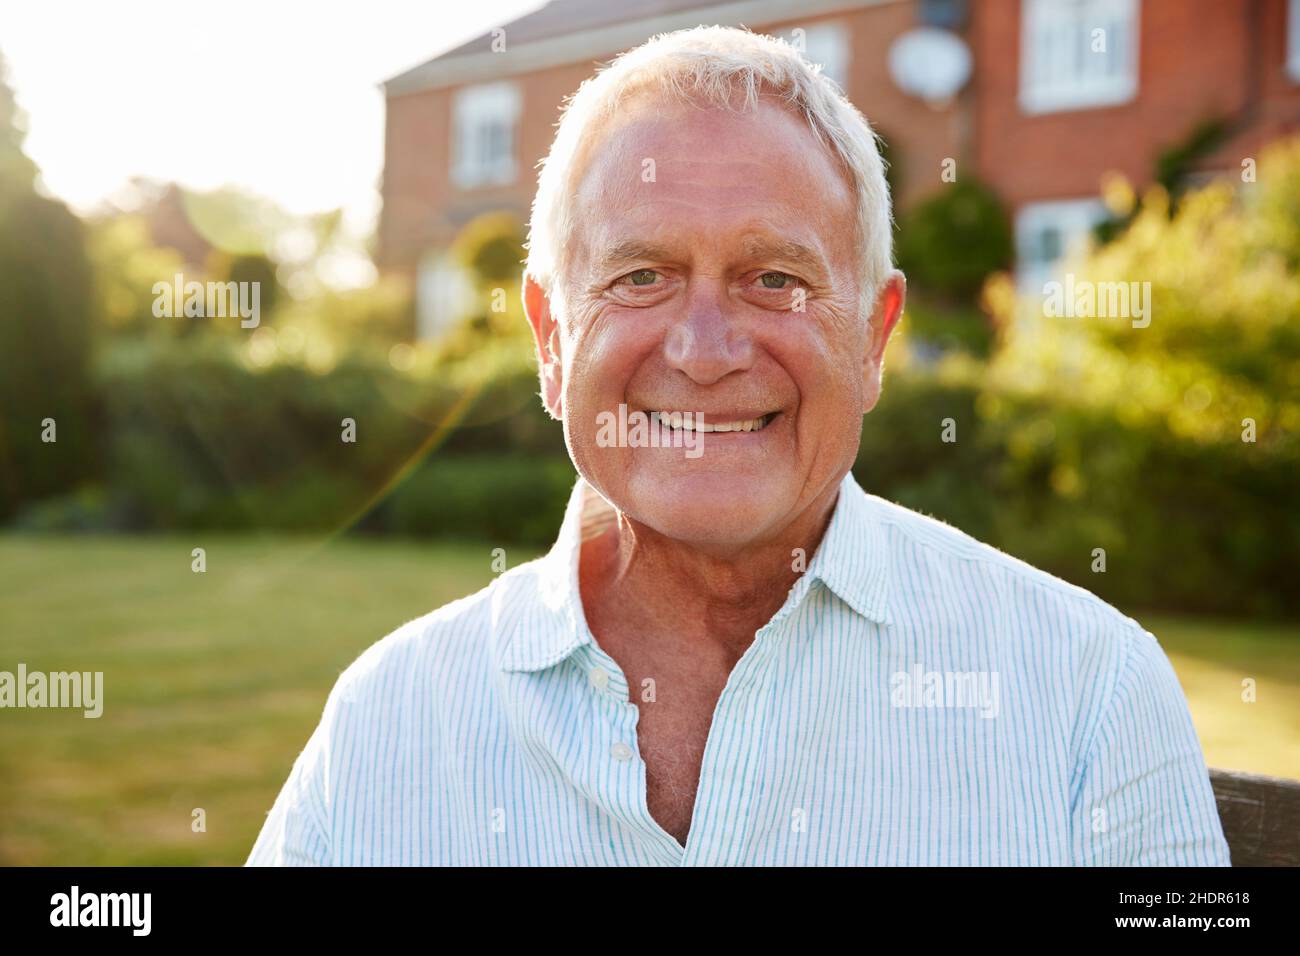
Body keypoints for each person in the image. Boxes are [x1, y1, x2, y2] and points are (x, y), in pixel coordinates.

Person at [248, 25, 1229, 866]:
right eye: (640, 275)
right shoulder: (387, 720)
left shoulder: (1087, 693)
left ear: (873, 336)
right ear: (550, 339)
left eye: (774, 278)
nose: (704, 350)